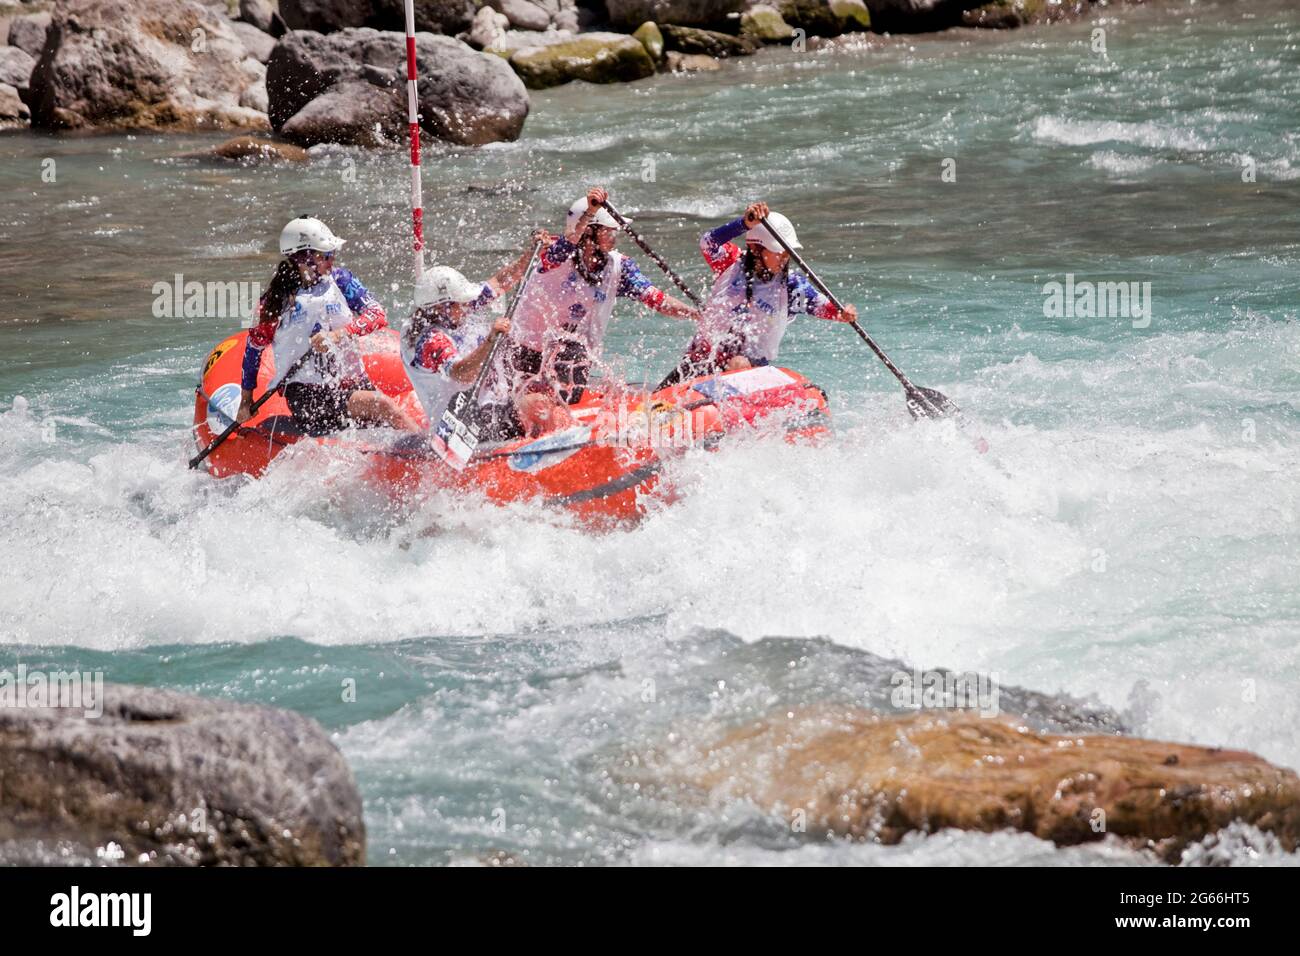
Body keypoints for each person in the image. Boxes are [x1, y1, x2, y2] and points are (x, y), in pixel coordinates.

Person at [500, 187, 700, 410]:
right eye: (608, 230)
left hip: (569, 355)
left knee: (573, 352)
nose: (615, 235)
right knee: (521, 409)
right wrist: (588, 214)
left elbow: (656, 298)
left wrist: (697, 313)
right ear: (589, 232)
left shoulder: (618, 266)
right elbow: (560, 249)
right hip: (523, 350)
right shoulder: (554, 252)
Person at [236, 216, 416, 432]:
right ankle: (432, 458)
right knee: (383, 405)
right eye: (326, 255)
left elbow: (378, 315)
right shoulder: (274, 301)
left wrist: (338, 335)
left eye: (332, 254)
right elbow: (253, 348)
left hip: (353, 385)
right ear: (302, 259)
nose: (332, 261)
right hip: (307, 395)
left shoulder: (342, 280)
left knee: (388, 423)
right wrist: (246, 401)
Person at [659, 202, 858, 387]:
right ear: (755, 248)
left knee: (738, 362)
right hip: (700, 362)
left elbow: (822, 305)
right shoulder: (730, 262)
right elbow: (708, 242)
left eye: (788, 252)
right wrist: (744, 224)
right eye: (778, 251)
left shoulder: (791, 286)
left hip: (750, 369)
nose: (784, 258)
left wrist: (842, 313)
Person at [401, 234, 570, 441]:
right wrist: (490, 340)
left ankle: (542, 442)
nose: (467, 306)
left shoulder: (455, 308)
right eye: (460, 303)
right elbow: (461, 374)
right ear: (440, 308)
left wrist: (531, 254)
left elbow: (500, 282)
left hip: (489, 408)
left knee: (547, 394)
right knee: (538, 404)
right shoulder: (430, 340)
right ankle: (560, 455)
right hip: (463, 422)